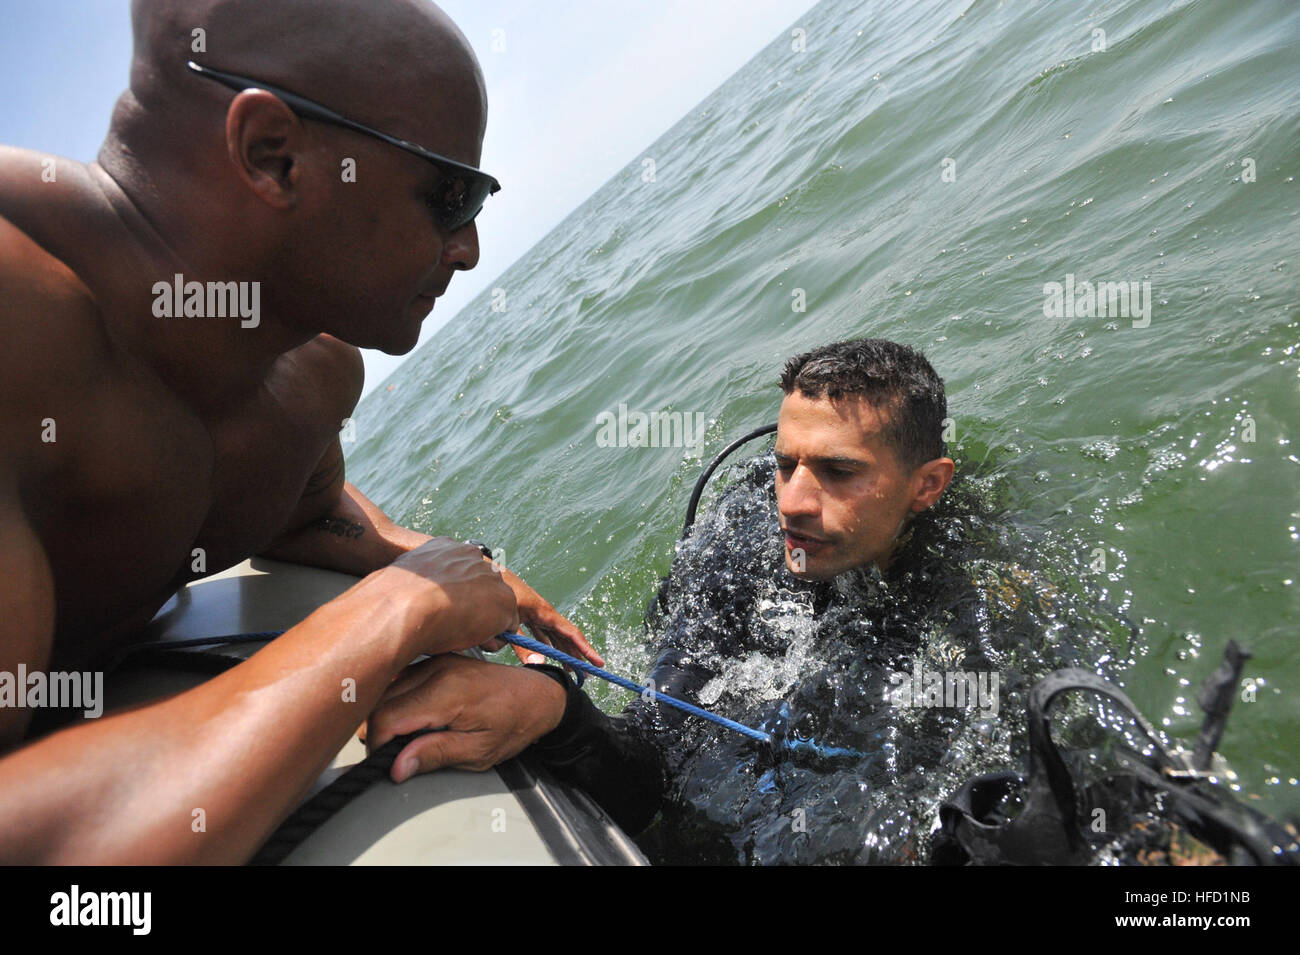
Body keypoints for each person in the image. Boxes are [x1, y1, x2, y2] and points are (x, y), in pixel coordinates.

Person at [0, 0, 603, 864]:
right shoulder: (18, 327)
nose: (468, 248)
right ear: (273, 157)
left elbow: (299, 510)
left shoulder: (311, 370)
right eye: (450, 194)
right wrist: (394, 611)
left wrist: (433, 562)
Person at [408, 338, 1115, 863]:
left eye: (838, 472)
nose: (793, 503)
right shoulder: (739, 547)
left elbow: (1067, 719)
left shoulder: (977, 563)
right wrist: (554, 705)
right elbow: (652, 763)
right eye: (785, 465)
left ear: (926, 485)